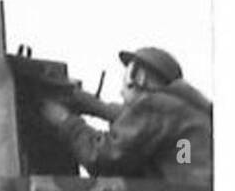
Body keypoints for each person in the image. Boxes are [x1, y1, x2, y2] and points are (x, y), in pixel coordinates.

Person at [40, 47, 212, 183]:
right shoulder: (187, 111)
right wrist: (98, 107)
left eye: (124, 86)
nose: (120, 93)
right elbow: (148, 127)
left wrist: (66, 121)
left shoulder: (155, 105)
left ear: (140, 77)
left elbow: (102, 157)